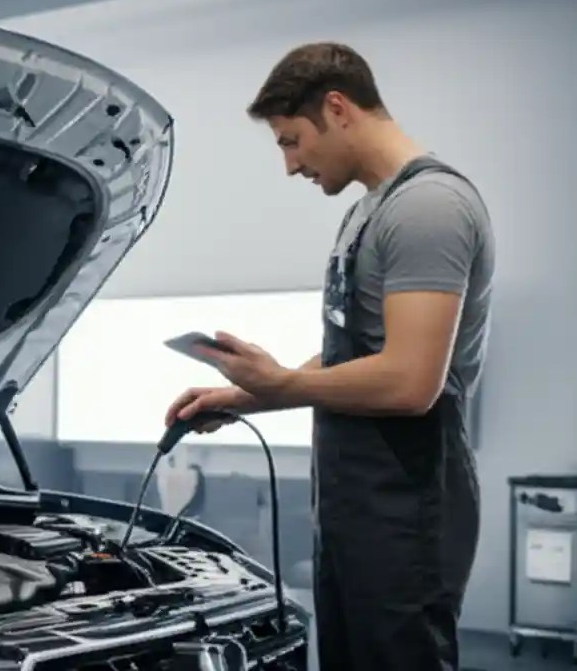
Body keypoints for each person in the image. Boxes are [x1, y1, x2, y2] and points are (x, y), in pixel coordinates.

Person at [164, 42, 493, 670]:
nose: (291, 165)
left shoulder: (429, 209)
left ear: (337, 109)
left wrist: (281, 384)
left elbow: (409, 382)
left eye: (291, 141)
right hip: (355, 504)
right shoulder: (367, 213)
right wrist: (244, 396)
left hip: (410, 507)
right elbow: (355, 352)